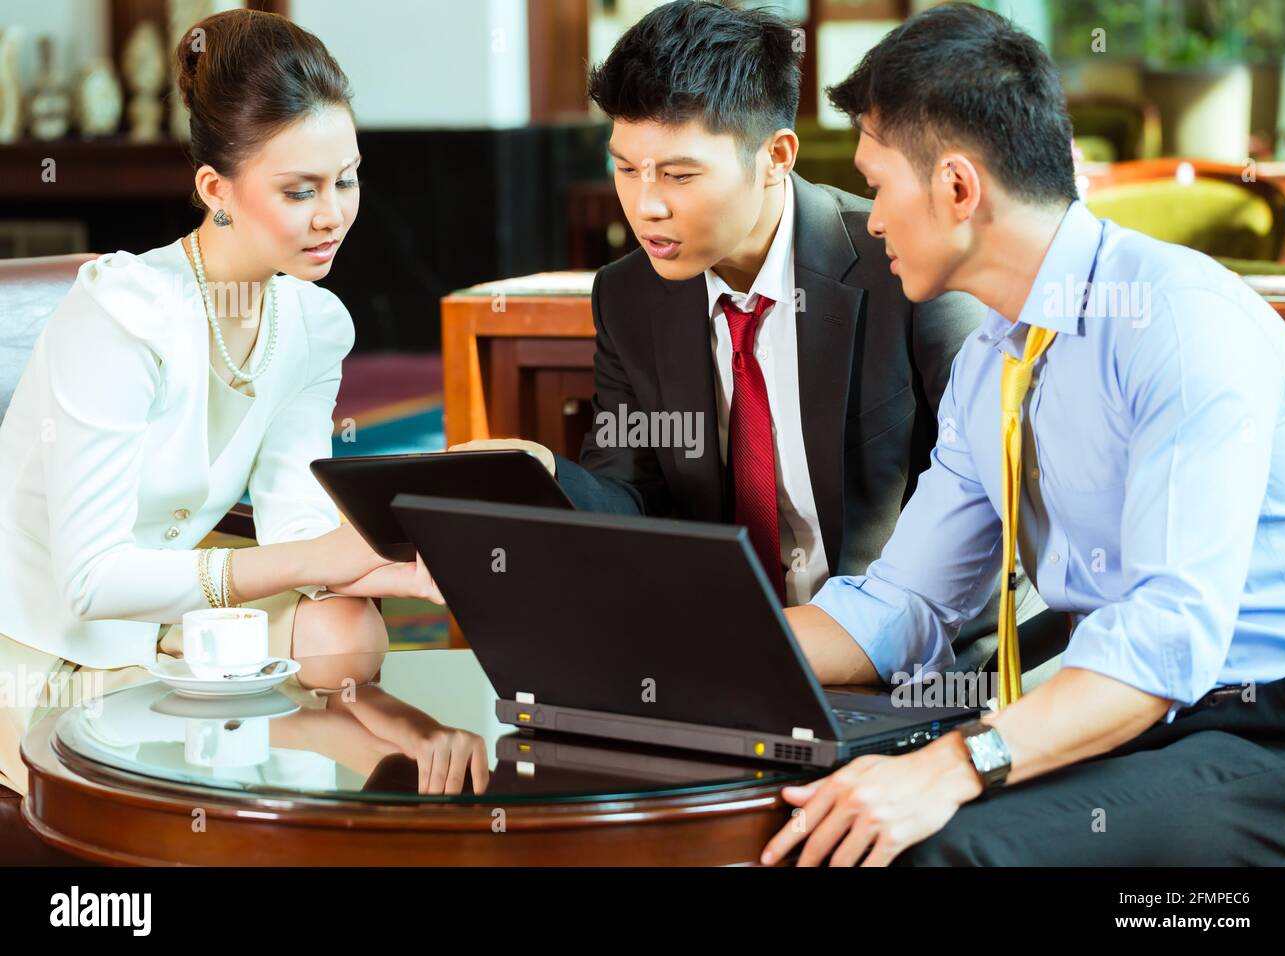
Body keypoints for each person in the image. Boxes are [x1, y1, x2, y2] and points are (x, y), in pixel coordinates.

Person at [762, 2, 1285, 866]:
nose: (870, 220)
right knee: (806, 811)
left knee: (931, 848)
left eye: (877, 185)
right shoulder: (993, 365)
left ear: (958, 187)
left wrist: (956, 763)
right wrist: (687, 653)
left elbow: (1168, 637)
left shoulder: (1176, 320)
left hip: (1263, 731)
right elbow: (903, 606)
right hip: (1140, 727)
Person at [461, 1, 1052, 671]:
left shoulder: (909, 268)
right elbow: (633, 498)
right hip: (733, 661)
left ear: (776, 156)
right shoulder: (631, 297)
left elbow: (988, 511)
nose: (647, 204)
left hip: (924, 666)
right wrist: (542, 476)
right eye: (627, 168)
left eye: (680, 175)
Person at [0, 9, 439, 796]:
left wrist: (398, 566)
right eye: (299, 190)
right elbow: (92, 583)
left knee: (344, 626)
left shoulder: (311, 323)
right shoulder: (122, 313)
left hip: (168, 615)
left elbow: (296, 524)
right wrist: (327, 560)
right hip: (40, 637)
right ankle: (329, 775)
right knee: (230, 729)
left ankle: (372, 768)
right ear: (216, 190)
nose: (332, 214)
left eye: (347, 179)